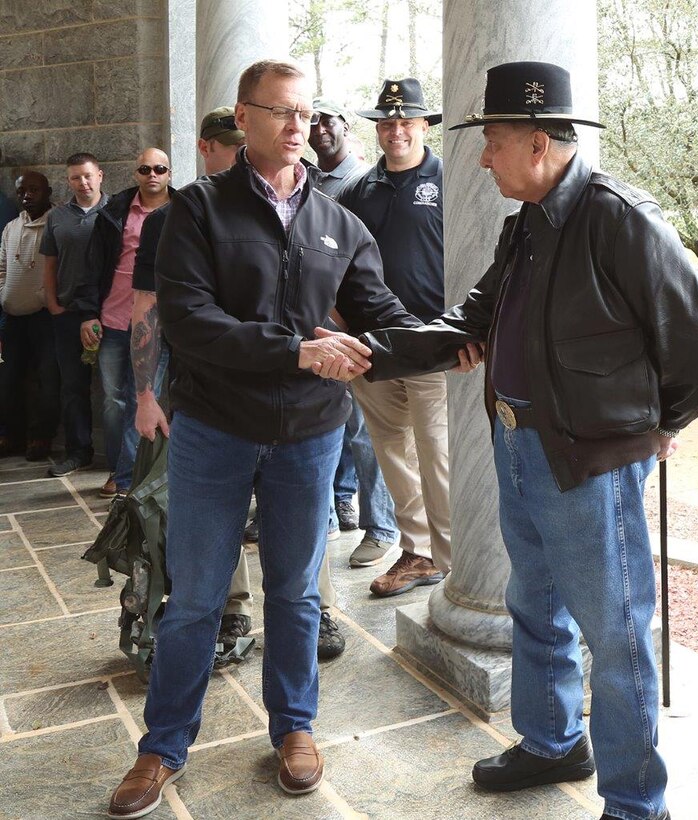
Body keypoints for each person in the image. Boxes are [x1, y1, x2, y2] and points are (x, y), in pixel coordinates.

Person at [322, 61, 698, 820]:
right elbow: (468, 320)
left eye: (492, 142)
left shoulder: (620, 218)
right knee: (532, 605)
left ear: (538, 143)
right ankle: (551, 741)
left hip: (589, 461)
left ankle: (638, 802)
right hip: (517, 444)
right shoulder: (529, 222)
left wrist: (658, 429)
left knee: (617, 634)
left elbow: (695, 346)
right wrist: (370, 350)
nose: (480, 158)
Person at [106, 58, 420, 819]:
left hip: (310, 438)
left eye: (303, 112)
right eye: (278, 111)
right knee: (195, 600)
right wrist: (298, 351)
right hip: (215, 432)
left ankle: (295, 729)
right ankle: (162, 746)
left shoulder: (339, 222)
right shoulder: (195, 211)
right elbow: (189, 321)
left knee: (296, 593)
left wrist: (455, 340)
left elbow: (379, 310)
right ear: (242, 118)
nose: (295, 126)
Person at [130, 107, 251, 653]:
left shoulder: (284, 208)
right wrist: (145, 393)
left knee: (293, 512)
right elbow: (146, 309)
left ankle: (314, 609)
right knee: (212, 508)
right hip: (199, 390)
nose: (243, 153)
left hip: (279, 387)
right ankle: (228, 604)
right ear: (206, 149)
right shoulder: (168, 219)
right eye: (231, 145)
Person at [338, 78, 450, 595]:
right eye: (387, 122)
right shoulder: (358, 191)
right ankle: (418, 550)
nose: (397, 130)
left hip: (433, 342)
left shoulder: (450, 182)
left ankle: (454, 556)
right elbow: (337, 263)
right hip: (374, 348)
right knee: (392, 451)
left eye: (407, 120)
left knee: (437, 450)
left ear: (425, 125)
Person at [308, 97, 400, 572]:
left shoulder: (358, 180)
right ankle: (332, 511)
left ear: (346, 126)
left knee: (367, 436)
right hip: (329, 325)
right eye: (313, 119)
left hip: (377, 326)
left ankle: (382, 527)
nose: (320, 127)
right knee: (333, 425)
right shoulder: (309, 181)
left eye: (329, 119)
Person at [71, 148, 173, 498]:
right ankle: (121, 468)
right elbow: (93, 266)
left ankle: (130, 476)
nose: (152, 174)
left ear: (170, 173)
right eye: (145, 169)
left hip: (158, 326)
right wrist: (88, 313)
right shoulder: (114, 213)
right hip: (114, 319)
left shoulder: (185, 212)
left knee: (143, 398)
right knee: (112, 401)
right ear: (135, 174)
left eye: (160, 168)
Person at [41, 153, 110, 477]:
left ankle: (118, 459)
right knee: (72, 386)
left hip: (108, 312)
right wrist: (54, 305)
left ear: (100, 176)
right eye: (75, 178)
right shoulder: (57, 218)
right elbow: (50, 265)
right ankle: (78, 451)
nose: (82, 183)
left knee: (114, 389)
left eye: (87, 176)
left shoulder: (116, 211)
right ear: (68, 181)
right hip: (67, 314)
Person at [0, 172, 59, 460]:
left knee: (46, 380)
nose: (26, 196)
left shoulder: (57, 222)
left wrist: (43, 298)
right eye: (22, 190)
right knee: (8, 379)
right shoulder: (11, 226)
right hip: (12, 317)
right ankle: (12, 436)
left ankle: (41, 437)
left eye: (34, 190)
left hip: (45, 318)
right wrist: (4, 294)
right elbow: (1, 267)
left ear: (48, 191)